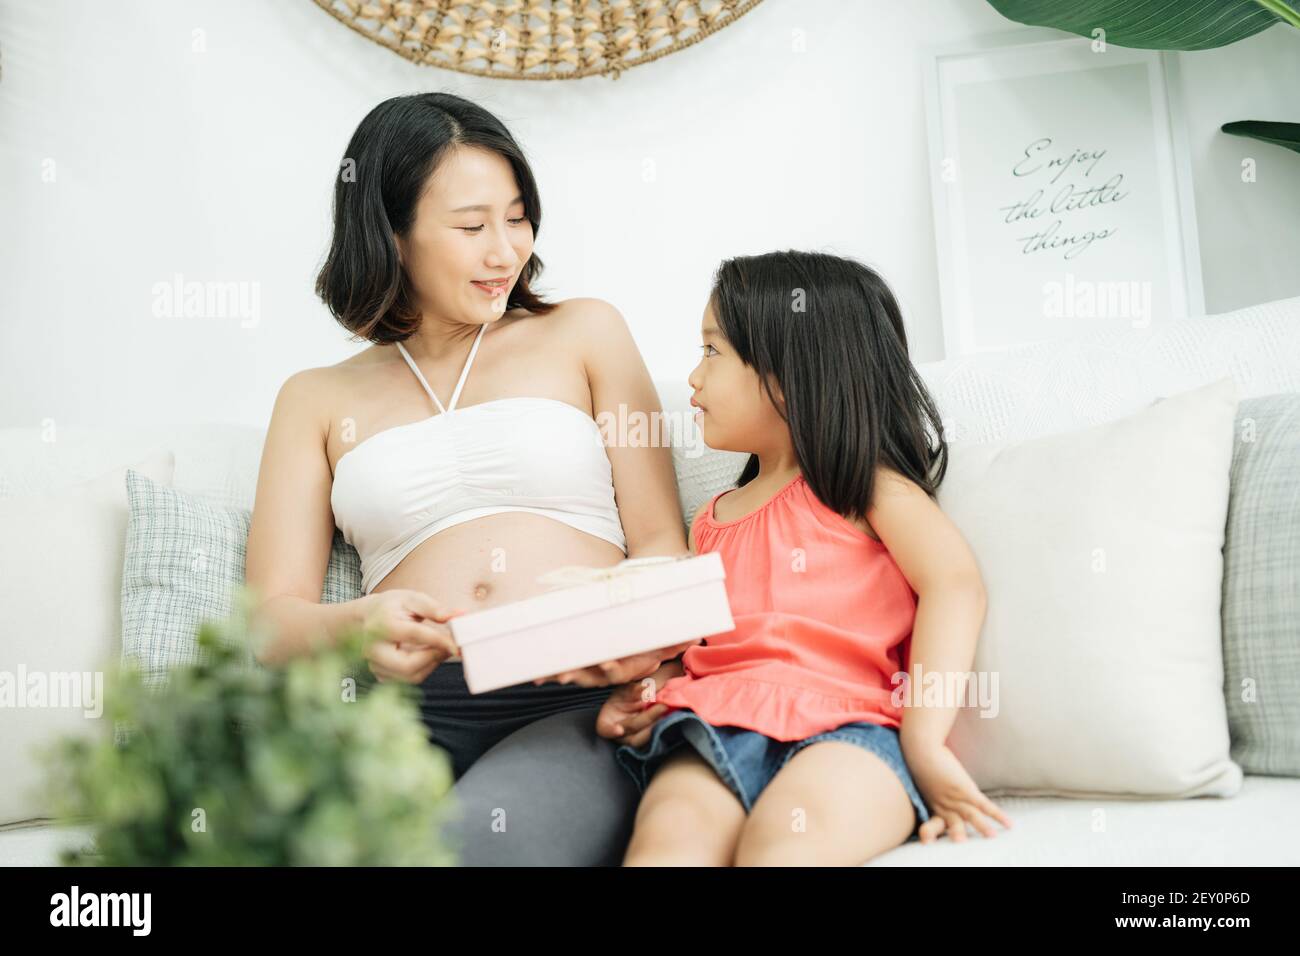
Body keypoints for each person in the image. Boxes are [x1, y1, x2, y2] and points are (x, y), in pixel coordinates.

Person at [244, 92, 693, 865]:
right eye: (471, 226)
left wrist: (634, 646)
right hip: (406, 711)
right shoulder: (314, 398)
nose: (505, 252)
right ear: (392, 235)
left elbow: (664, 549)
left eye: (517, 218)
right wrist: (356, 626)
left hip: (574, 701)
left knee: (483, 846)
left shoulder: (585, 332)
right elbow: (267, 624)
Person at [598, 250, 1014, 865]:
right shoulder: (711, 521)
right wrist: (649, 691)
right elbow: (697, 652)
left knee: (786, 846)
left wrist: (924, 741)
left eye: (711, 351)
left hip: (851, 732)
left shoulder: (865, 488)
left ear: (791, 374)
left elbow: (955, 585)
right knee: (668, 841)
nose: (692, 377)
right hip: (714, 728)